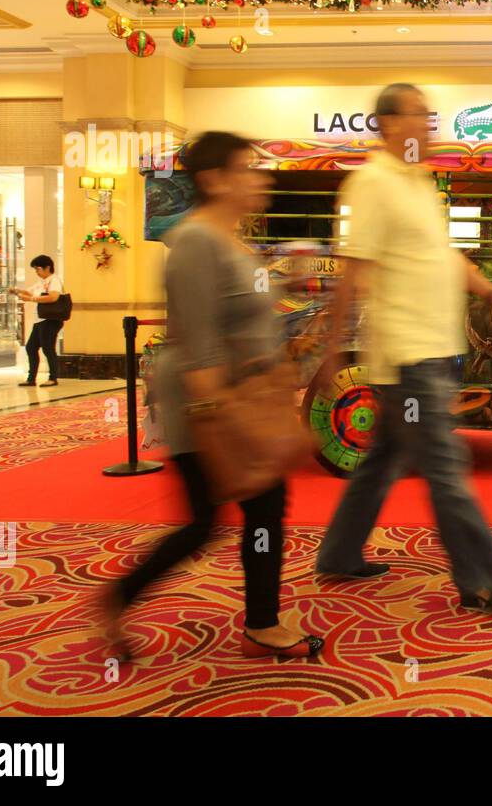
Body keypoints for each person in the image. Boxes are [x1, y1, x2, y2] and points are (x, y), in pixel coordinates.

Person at [317, 83, 492, 617]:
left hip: (433, 347)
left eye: (429, 115)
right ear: (389, 124)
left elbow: (445, 257)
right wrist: (331, 351)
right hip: (408, 353)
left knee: (383, 459)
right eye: (419, 115)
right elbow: (355, 271)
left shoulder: (417, 182)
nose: (429, 125)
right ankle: (484, 580)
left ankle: (339, 552)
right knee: (445, 468)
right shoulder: (371, 184)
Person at [100, 131, 323, 661]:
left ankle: (130, 599)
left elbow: (243, 315)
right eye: (246, 168)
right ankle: (257, 623)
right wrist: (224, 418)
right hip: (206, 403)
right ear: (213, 180)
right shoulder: (196, 241)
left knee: (231, 517)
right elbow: (197, 342)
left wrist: (289, 292)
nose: (259, 178)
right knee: (235, 515)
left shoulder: (231, 240)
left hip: (236, 395)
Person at [10, 255, 64, 387]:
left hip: (50, 320)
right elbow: (29, 292)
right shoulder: (42, 282)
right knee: (31, 347)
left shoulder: (54, 280)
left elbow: (53, 297)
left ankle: (53, 377)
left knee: (48, 348)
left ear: (47, 268)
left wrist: (32, 299)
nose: (37, 272)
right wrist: (17, 291)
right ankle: (31, 378)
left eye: (38, 269)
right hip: (39, 320)